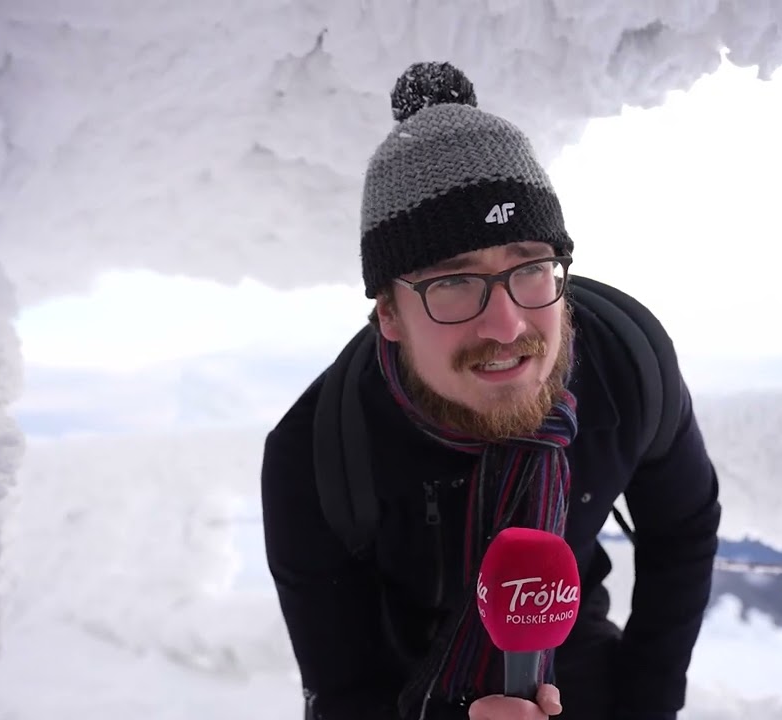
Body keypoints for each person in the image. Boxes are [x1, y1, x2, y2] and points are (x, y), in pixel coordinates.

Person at [261, 61, 722, 720]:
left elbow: (682, 528)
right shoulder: (319, 453)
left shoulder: (628, 365)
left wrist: (647, 705)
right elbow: (344, 692)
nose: (505, 325)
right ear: (387, 314)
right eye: (453, 281)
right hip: (405, 681)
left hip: (575, 653)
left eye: (530, 268)